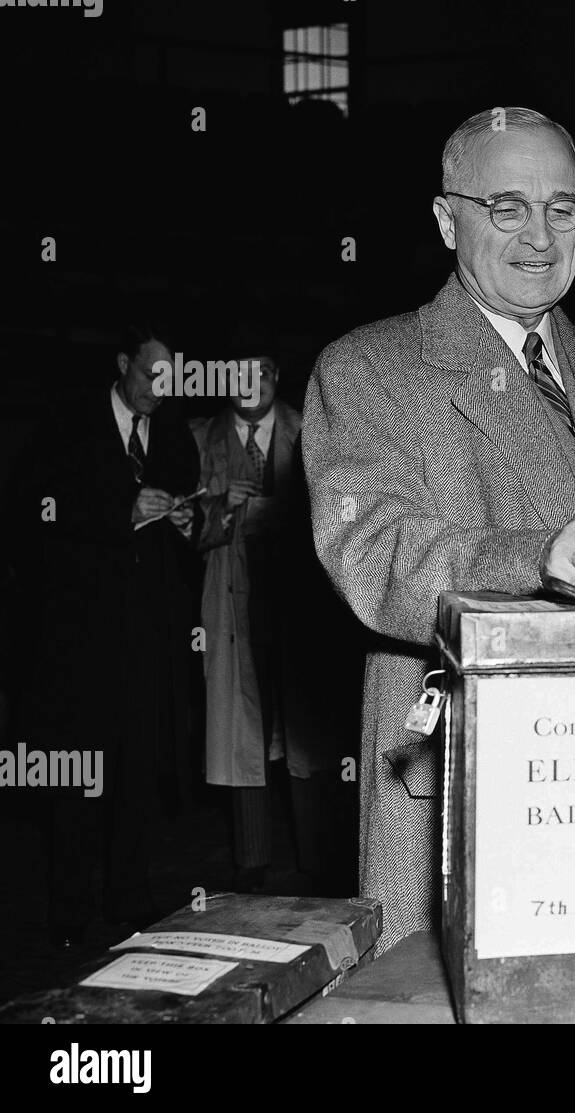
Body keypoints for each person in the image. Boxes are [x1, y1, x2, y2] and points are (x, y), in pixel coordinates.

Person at [301, 107, 575, 954]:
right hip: (463, 792)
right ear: (448, 220)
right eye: (506, 206)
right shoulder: (364, 369)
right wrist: (540, 559)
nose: (540, 236)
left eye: (563, 207)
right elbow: (377, 555)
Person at [19, 322, 200, 945]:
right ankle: (68, 913)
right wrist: (120, 513)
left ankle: (131, 901)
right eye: (151, 373)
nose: (160, 388)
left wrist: (186, 521)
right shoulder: (67, 425)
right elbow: (33, 510)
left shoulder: (175, 436)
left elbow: (194, 535)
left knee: (138, 770)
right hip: (78, 639)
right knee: (78, 775)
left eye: (170, 378)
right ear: (123, 364)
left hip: (148, 639)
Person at [192, 339, 358, 895]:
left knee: (306, 729)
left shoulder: (314, 427)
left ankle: (319, 861)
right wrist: (219, 509)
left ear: (276, 375)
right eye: (239, 373)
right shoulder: (197, 439)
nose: (251, 383)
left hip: (300, 602)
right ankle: (252, 861)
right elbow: (172, 530)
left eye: (261, 372)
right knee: (241, 731)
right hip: (231, 605)